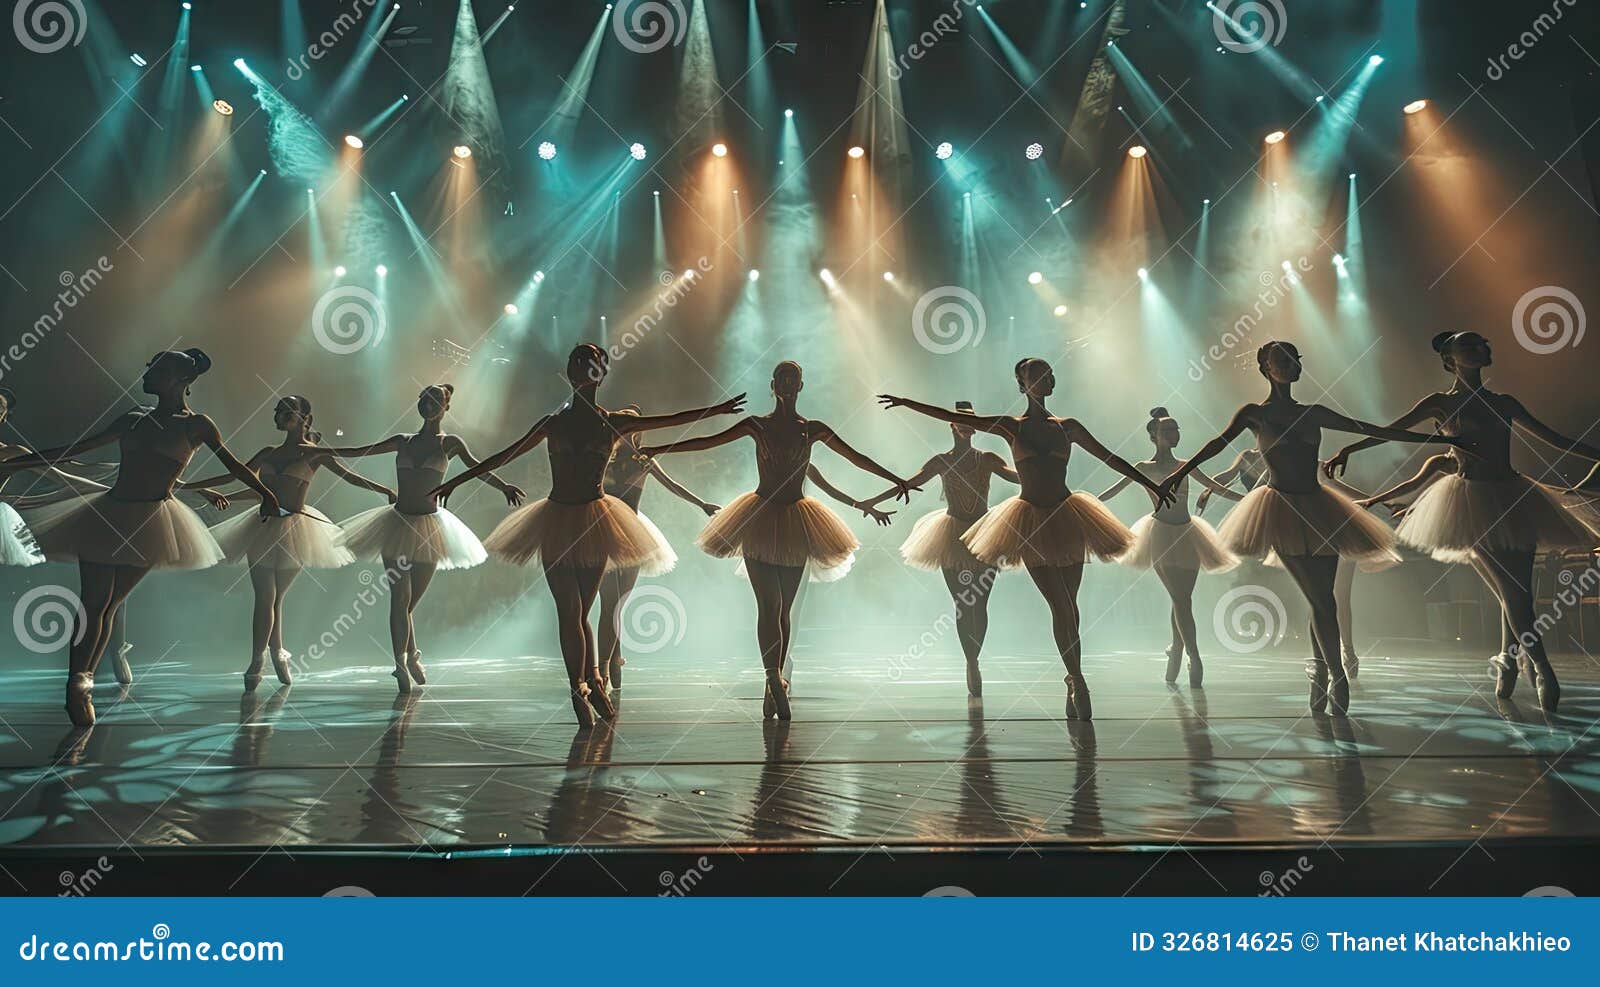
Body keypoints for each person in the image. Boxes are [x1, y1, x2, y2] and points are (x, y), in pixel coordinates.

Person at [433, 345, 746, 727]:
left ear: (601, 372)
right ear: (568, 371)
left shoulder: (614, 422)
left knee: (583, 609)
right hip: (557, 518)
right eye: (576, 360)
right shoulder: (553, 423)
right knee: (570, 609)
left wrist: (714, 410)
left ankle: (594, 679)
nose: (582, 366)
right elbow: (505, 454)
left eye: (589, 361)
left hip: (597, 521)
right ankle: (578, 686)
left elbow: (672, 419)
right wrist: (460, 478)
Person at [1160, 341, 1468, 716]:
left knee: (1322, 597)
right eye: (1282, 360)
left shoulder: (1313, 412)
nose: (1291, 365)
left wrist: (1440, 439)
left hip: (1321, 507)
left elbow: (1373, 430)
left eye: (1294, 359)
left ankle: (1320, 669)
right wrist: (1178, 473)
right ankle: (1335, 672)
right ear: (1266, 369)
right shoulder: (1255, 414)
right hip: (1281, 509)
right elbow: (1214, 444)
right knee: (1321, 598)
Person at [879, 358, 1175, 720]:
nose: (1047, 378)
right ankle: (1078, 680)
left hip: (1068, 516)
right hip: (1030, 523)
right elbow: (952, 417)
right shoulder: (1011, 428)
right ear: (1023, 384)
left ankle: (1072, 676)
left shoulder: (1068, 427)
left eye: (1049, 373)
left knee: (1072, 606)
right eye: (1037, 374)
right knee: (1060, 605)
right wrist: (909, 404)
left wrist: (1152, 484)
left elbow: (1109, 457)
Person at [0, 350, 280, 725]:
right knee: (94, 602)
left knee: (110, 603)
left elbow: (234, 466)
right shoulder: (133, 419)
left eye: (159, 370)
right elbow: (71, 451)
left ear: (182, 380)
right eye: (150, 368)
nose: (147, 374)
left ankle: (84, 680)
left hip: (154, 521)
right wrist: (16, 462)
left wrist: (268, 494)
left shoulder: (197, 425)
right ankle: (76, 686)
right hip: (109, 513)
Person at [1324, 331, 1599, 711]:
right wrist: (1350, 447)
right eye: (1468, 346)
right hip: (1471, 500)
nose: (1481, 348)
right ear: (1450, 360)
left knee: (1517, 591)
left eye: (1483, 343)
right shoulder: (1440, 403)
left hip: (1515, 496)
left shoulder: (1503, 403)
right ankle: (1540, 666)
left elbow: (1554, 438)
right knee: (1514, 591)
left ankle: (1508, 659)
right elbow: (1391, 430)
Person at [641, 361, 913, 720]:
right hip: (758, 516)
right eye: (782, 378)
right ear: (773, 385)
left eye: (794, 378)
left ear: (801, 386)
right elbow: (708, 441)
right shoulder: (758, 424)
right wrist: (660, 449)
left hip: (798, 521)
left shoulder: (811, 429)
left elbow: (855, 456)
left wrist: (896, 478)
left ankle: (777, 677)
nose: (787, 383)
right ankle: (772, 677)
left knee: (783, 608)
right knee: (768, 605)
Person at [326, 385, 521, 692]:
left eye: (435, 401)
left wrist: (504, 486)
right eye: (423, 400)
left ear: (446, 407)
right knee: (399, 599)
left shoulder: (450, 443)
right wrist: (322, 451)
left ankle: (412, 654)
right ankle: (400, 665)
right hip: (396, 522)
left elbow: (477, 469)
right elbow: (361, 451)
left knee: (409, 602)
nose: (428, 405)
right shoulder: (402, 441)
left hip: (431, 529)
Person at [192, 396, 396, 689]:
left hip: (297, 530)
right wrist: (192, 486)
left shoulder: (316, 454)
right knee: (266, 597)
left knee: (275, 599)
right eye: (278, 410)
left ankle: (275, 653)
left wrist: (385, 489)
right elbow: (247, 484)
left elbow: (350, 476)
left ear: (305, 419)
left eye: (288, 410)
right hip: (261, 526)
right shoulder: (268, 453)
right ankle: (258, 660)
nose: (280, 414)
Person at [861, 401, 1019, 698]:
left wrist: (1043, 470)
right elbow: (908, 484)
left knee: (980, 602)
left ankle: (975, 659)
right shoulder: (941, 462)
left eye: (970, 422)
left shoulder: (986, 458)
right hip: (952, 536)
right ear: (952, 425)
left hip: (985, 533)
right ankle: (970, 661)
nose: (966, 426)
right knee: (963, 603)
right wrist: (872, 501)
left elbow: (1017, 475)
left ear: (975, 426)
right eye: (960, 421)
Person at [1100, 407, 1241, 687]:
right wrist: (1082, 503)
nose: (1174, 434)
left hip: (1188, 533)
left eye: (1177, 429)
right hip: (1160, 534)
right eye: (1168, 430)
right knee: (1181, 598)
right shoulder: (1143, 468)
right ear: (1154, 436)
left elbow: (1217, 487)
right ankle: (1194, 655)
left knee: (1182, 597)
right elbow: (1114, 490)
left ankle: (1176, 650)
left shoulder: (1186, 465)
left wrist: (1248, 499)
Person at [596, 406, 721, 692]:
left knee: (618, 604)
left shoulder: (645, 461)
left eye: (632, 429)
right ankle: (605, 665)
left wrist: (702, 504)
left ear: (639, 434)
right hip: (601, 531)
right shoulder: (604, 459)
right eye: (623, 428)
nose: (626, 433)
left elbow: (672, 485)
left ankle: (612, 658)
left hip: (633, 534)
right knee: (608, 604)